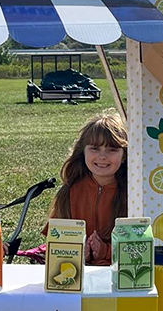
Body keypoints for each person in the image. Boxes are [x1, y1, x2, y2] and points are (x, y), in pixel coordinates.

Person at [46, 110, 127, 265]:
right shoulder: (71, 191)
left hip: (117, 272)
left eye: (112, 149)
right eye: (95, 149)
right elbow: (55, 238)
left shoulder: (132, 194)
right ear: (83, 151)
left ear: (124, 156)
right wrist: (76, 251)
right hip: (75, 272)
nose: (102, 156)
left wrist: (105, 251)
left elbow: (139, 247)